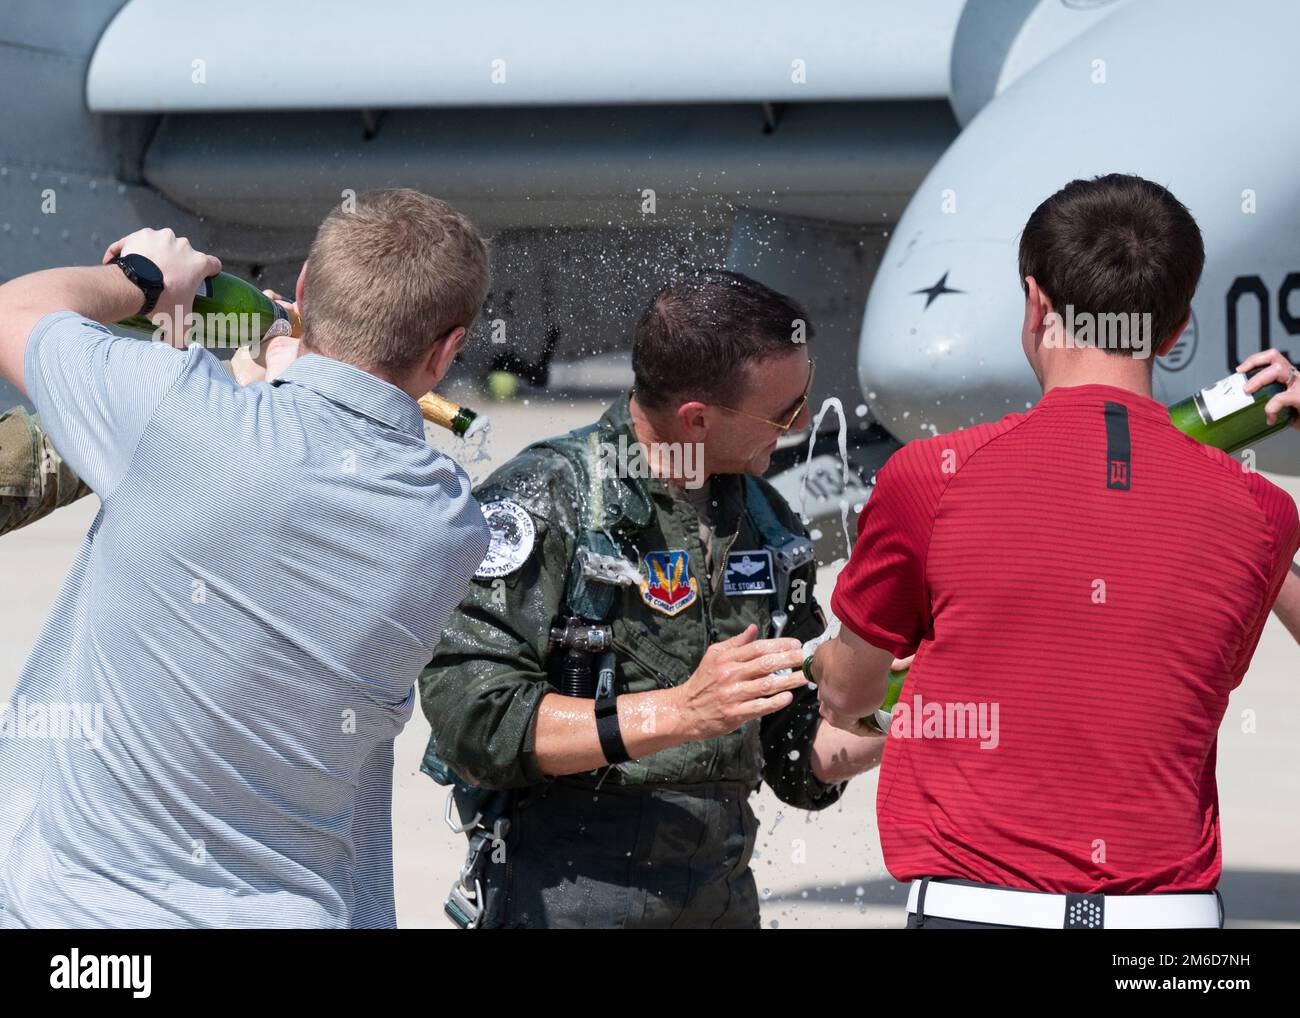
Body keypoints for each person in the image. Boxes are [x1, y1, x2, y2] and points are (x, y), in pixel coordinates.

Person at [809, 174, 1300, 929]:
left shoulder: (928, 479)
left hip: (976, 911)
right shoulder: (1260, 512)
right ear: (1176, 330)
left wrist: (850, 679)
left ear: (1037, 304)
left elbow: (848, 696)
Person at [0, 188, 491, 928]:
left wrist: (141, 277)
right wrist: (282, 383)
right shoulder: (451, 523)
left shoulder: (178, 416)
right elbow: (300, 468)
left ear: (301, 291)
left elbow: (16, 311)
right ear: (447, 350)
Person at [419, 269, 888, 929]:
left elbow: (791, 751)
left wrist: (897, 717)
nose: (804, 423)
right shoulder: (551, 500)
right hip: (569, 891)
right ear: (696, 418)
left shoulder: (765, 520)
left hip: (720, 895)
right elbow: (475, 719)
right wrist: (681, 711)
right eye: (785, 412)